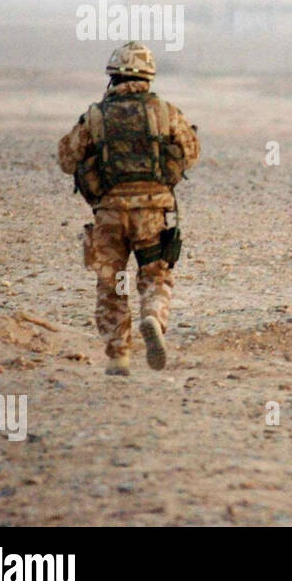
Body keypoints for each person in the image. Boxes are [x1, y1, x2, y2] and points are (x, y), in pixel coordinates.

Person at [57, 42, 200, 375]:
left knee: (113, 282)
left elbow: (67, 160)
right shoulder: (165, 111)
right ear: (148, 77)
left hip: (109, 212)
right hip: (154, 209)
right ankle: (152, 316)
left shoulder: (94, 116)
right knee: (155, 274)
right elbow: (191, 152)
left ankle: (119, 355)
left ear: (113, 77)